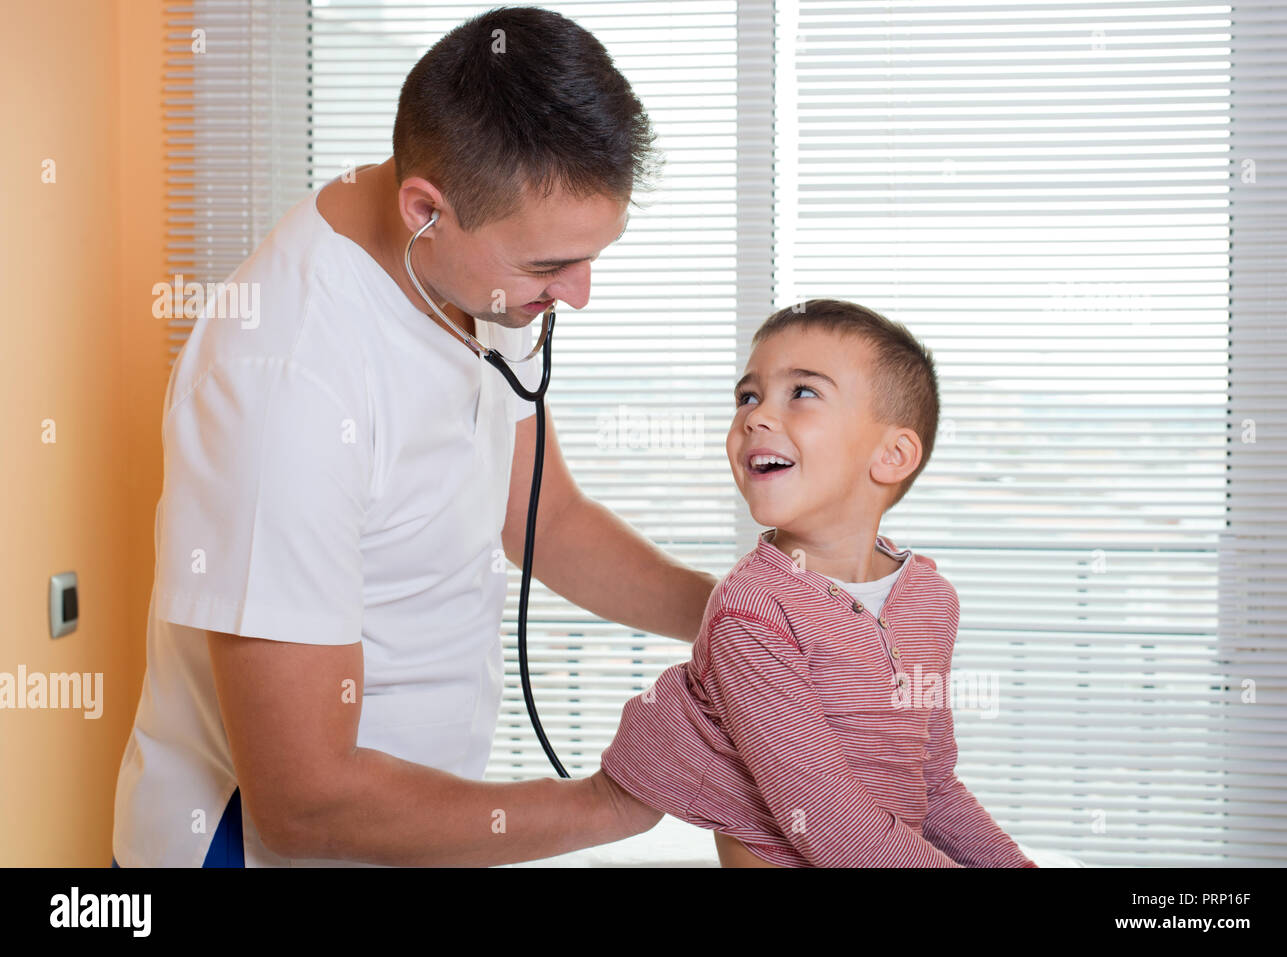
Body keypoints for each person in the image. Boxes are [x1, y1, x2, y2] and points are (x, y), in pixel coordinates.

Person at [111, 6, 718, 867]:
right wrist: (612, 806)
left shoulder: (471, 267)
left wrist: (730, 617)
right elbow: (304, 803)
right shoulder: (286, 385)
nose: (579, 294)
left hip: (411, 830)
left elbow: (541, 516)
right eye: (550, 266)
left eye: (590, 257)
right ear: (425, 209)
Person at [599, 299, 1038, 868]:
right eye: (748, 396)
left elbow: (932, 785)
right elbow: (826, 817)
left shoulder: (930, 601)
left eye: (801, 392)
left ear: (892, 455)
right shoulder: (751, 612)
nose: (754, 416)